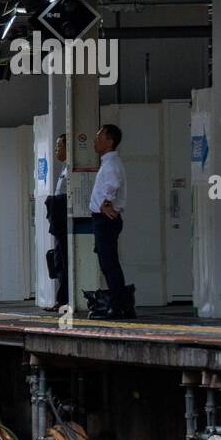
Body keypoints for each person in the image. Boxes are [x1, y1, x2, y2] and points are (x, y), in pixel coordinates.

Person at [89, 123, 134, 319]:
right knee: (108, 263)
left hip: (106, 219)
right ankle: (123, 305)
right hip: (104, 219)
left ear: (109, 141)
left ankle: (119, 307)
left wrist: (106, 202)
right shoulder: (108, 162)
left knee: (110, 264)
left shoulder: (111, 164)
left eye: (99, 138)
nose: (95, 141)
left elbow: (113, 184)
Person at [43, 133, 69, 311]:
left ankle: (65, 299)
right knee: (59, 260)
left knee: (65, 260)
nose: (56, 150)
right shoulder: (65, 168)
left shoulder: (72, 169)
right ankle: (62, 298)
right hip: (60, 222)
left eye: (59, 146)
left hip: (66, 223)